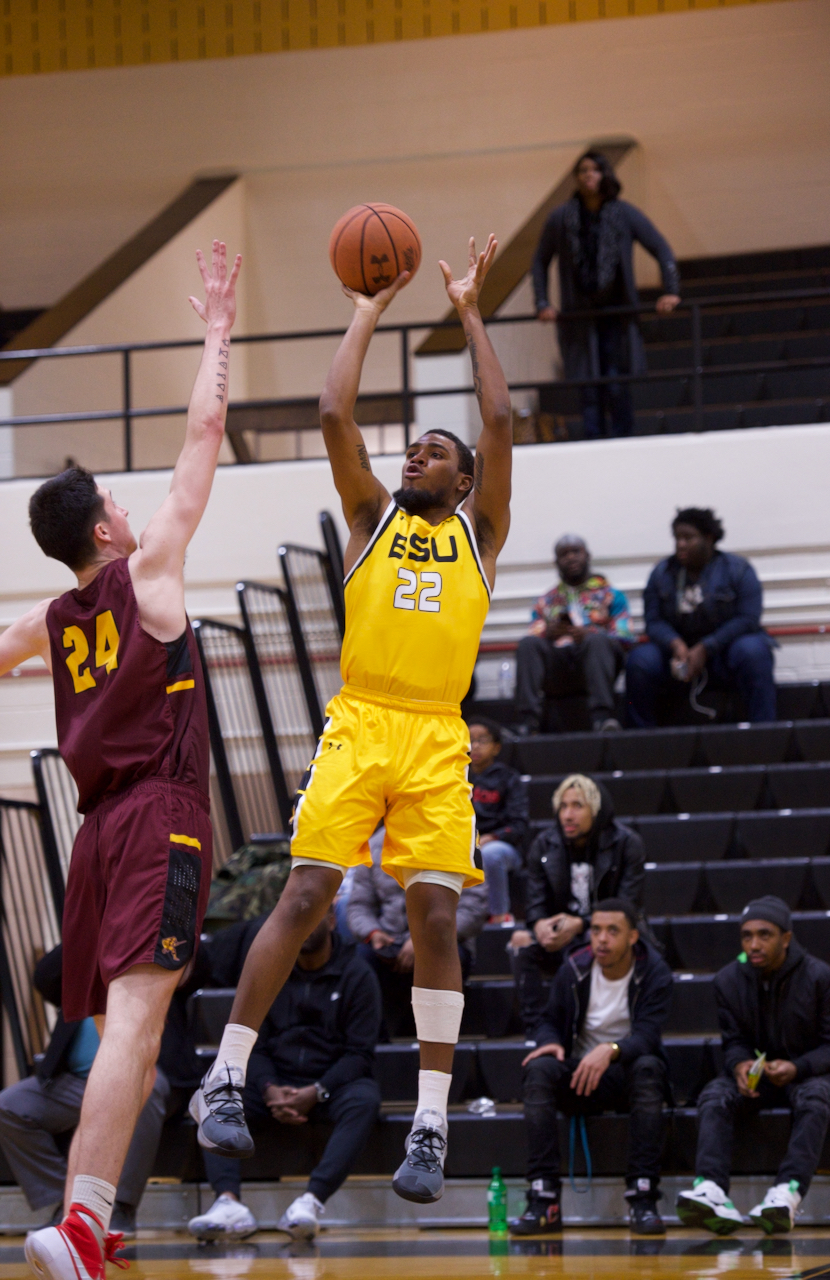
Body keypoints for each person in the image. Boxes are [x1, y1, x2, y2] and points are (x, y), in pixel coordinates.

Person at [192, 234, 513, 1208]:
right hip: (362, 721)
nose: (417, 452)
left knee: (434, 915)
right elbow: (335, 410)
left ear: (463, 480)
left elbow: (499, 415)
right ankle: (225, 1075)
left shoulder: (479, 531)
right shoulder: (373, 516)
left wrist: (466, 307)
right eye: (411, 445)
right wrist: (369, 301)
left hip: (434, 733)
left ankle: (429, 1116)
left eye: (435, 450)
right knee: (301, 896)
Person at [0, 241, 240, 1280]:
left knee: (132, 1031)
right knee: (140, 1022)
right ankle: (80, 1222)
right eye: (120, 503)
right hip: (156, 811)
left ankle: (85, 1226)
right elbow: (204, 431)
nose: (137, 511)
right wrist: (219, 328)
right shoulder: (147, 573)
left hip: (93, 833)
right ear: (104, 523)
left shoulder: (53, 617)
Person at [188, 907, 382, 1243]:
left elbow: (359, 1054)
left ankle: (311, 1202)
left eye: (313, 917)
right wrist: (267, 1088)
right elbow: (255, 1043)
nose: (303, 926)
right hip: (273, 1082)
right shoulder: (271, 969)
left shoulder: (357, 974)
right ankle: (228, 1203)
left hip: (329, 1085)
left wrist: (318, 1090)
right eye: (297, 918)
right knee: (214, 1093)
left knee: (365, 1098)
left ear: (332, 920)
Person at [677, 896, 830, 1236]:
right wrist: (740, 1064)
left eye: (764, 935)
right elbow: (734, 1040)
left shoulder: (820, 977)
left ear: (786, 938)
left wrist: (797, 1068)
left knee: (816, 1097)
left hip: (811, 1073)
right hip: (762, 1077)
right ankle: (711, 1189)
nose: (753, 944)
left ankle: (787, 1193)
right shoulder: (728, 980)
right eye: (746, 936)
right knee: (714, 1094)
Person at [510, 899, 672, 1237]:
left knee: (648, 1068)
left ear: (632, 937)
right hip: (580, 1073)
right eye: (596, 929)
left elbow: (647, 1036)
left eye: (612, 931)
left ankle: (642, 1197)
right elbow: (549, 1022)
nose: (601, 939)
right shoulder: (575, 966)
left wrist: (611, 1051)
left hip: (626, 1074)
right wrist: (549, 1040)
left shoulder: (654, 971)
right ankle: (544, 1198)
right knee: (538, 1069)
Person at [0, 947, 170, 1240]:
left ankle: (118, 1207)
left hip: (141, 1074)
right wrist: (94, 932)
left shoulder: (159, 964)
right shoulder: (85, 970)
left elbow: (200, 966)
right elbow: (46, 976)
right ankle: (63, 1204)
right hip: (71, 1082)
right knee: (9, 1105)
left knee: (146, 1086)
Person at [532, 149, 680, 439]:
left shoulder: (624, 213)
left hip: (618, 316)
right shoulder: (561, 217)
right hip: (580, 316)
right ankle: (593, 443)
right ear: (576, 178)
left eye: (595, 169)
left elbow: (662, 249)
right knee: (588, 387)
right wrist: (542, 302)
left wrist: (671, 291)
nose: (588, 174)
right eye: (582, 170)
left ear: (605, 174)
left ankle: (623, 440)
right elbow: (539, 261)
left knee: (616, 384)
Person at [511, 775, 645, 1035]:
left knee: (593, 939)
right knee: (520, 941)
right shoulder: (544, 844)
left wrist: (582, 923)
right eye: (563, 806)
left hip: (605, 931)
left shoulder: (627, 843)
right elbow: (535, 903)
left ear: (596, 810)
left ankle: (579, 1026)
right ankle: (538, 1029)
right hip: (561, 930)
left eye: (577, 806)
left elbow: (628, 906)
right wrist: (539, 925)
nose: (568, 815)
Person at [625, 508, 776, 727]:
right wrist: (675, 644)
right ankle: (640, 743)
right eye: (677, 538)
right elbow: (653, 621)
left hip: (725, 652)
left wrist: (706, 647)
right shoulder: (661, 572)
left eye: (688, 538)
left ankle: (765, 735)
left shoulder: (738, 569)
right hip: (678, 656)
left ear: (709, 538)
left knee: (754, 651)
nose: (681, 544)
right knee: (640, 660)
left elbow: (748, 619)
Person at [348, 842, 489, 1038]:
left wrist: (424, 940)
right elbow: (359, 905)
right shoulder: (374, 846)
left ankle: (440, 1041)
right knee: (358, 961)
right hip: (389, 940)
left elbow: (473, 910)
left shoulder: (459, 838)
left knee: (444, 955)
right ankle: (371, 1043)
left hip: (442, 939)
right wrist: (372, 932)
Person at [513, 534, 632, 733]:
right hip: (558, 667)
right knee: (528, 644)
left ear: (587, 555)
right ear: (556, 562)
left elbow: (625, 636)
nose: (570, 557)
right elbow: (534, 633)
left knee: (596, 641)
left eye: (576, 551)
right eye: (564, 554)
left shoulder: (610, 595)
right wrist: (548, 633)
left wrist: (588, 634)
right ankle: (528, 722)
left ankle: (602, 719)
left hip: (595, 665)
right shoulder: (545, 600)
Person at [468, 717, 529, 922]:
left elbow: (519, 825)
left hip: (502, 846)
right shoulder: (454, 777)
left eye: (482, 741)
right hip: (463, 842)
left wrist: (492, 837)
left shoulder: (508, 778)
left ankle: (498, 915)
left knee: (490, 854)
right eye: (469, 740)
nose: (474, 746)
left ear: (496, 747)